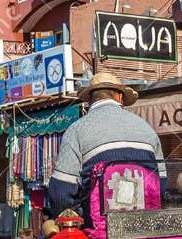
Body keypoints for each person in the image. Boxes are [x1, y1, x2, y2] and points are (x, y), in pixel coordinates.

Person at [45, 70, 163, 217]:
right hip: (144, 226)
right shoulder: (147, 129)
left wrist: (79, 219)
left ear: (89, 100)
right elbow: (162, 185)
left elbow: (61, 193)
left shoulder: (77, 130)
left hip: (99, 230)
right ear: (120, 97)